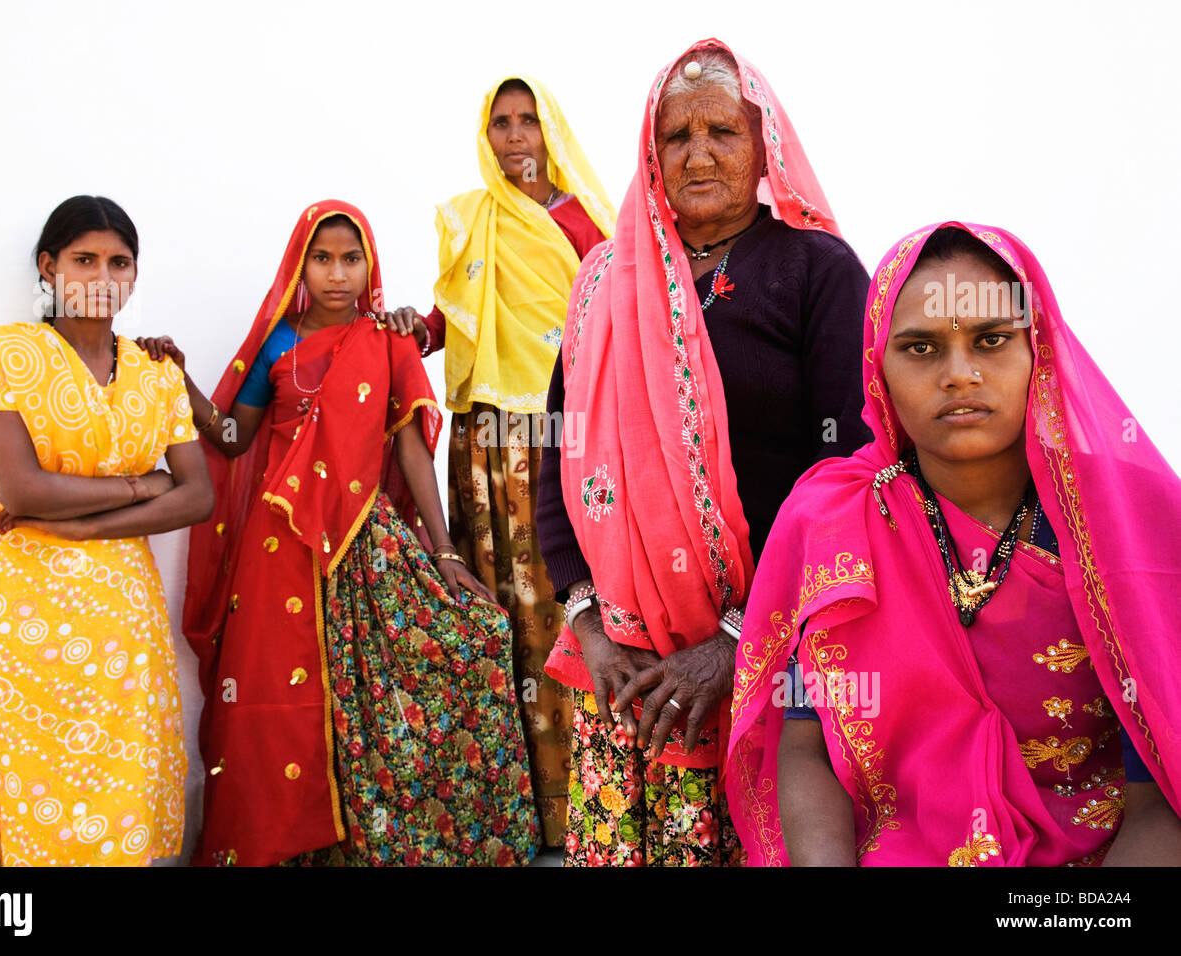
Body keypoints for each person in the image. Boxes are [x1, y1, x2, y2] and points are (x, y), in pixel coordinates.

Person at [726, 222, 1181, 866]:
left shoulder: (1129, 523)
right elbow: (805, 744)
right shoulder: (836, 519)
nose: (959, 375)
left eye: (991, 340)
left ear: (1037, 350)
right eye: (921, 348)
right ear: (877, 368)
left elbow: (1163, 798)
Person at [534, 38, 871, 866]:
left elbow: (856, 468)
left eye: (721, 129)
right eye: (676, 136)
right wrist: (591, 628)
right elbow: (558, 452)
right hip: (627, 674)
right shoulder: (606, 283)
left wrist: (734, 641)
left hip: (776, 657)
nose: (698, 153)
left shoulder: (815, 269)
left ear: (765, 145)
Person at [143, 200, 539, 866]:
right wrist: (178, 378)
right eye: (321, 259)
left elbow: (412, 451)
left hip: (365, 539)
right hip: (281, 544)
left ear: (368, 265)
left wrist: (441, 553)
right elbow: (235, 439)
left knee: (474, 641)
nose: (336, 274)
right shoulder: (278, 341)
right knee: (281, 697)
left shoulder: (386, 338)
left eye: (350, 259)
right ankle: (286, 846)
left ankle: (404, 841)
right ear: (301, 264)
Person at [0, 195, 214, 866]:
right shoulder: (10, 352)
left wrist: (85, 528)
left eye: (119, 262)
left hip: (126, 613)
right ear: (48, 266)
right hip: (35, 615)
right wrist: (145, 486)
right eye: (83, 260)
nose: (101, 278)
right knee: (48, 802)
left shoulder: (155, 373)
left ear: (135, 276)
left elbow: (198, 495)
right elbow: (23, 488)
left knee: (124, 798)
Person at [384, 76, 615, 847]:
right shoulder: (471, 217)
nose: (515, 137)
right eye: (501, 123)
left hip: (559, 432)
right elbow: (457, 319)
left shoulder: (589, 222)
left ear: (551, 131)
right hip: (484, 435)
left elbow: (612, 317)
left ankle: (581, 800)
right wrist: (408, 332)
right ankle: (509, 800)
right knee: (496, 600)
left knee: (559, 595)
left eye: (529, 121)